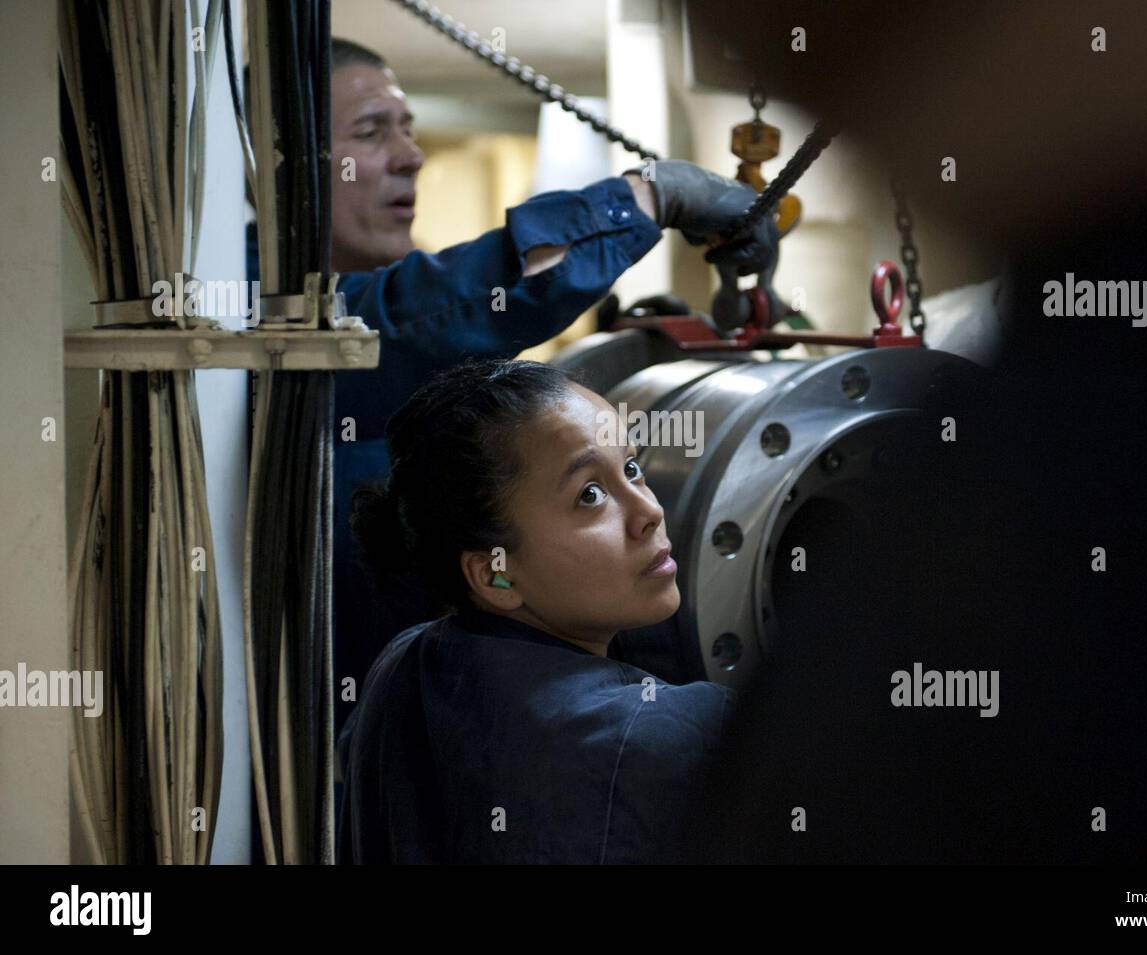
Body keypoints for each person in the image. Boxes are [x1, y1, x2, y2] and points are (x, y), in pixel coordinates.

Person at [244, 38, 778, 734]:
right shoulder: (251, 321)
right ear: (272, 169)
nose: (411, 154)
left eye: (408, 127)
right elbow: (423, 316)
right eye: (372, 132)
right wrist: (647, 199)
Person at [337, 358, 734, 863]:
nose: (649, 511)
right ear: (496, 574)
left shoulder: (403, 661)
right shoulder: (671, 738)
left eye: (631, 467)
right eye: (590, 495)